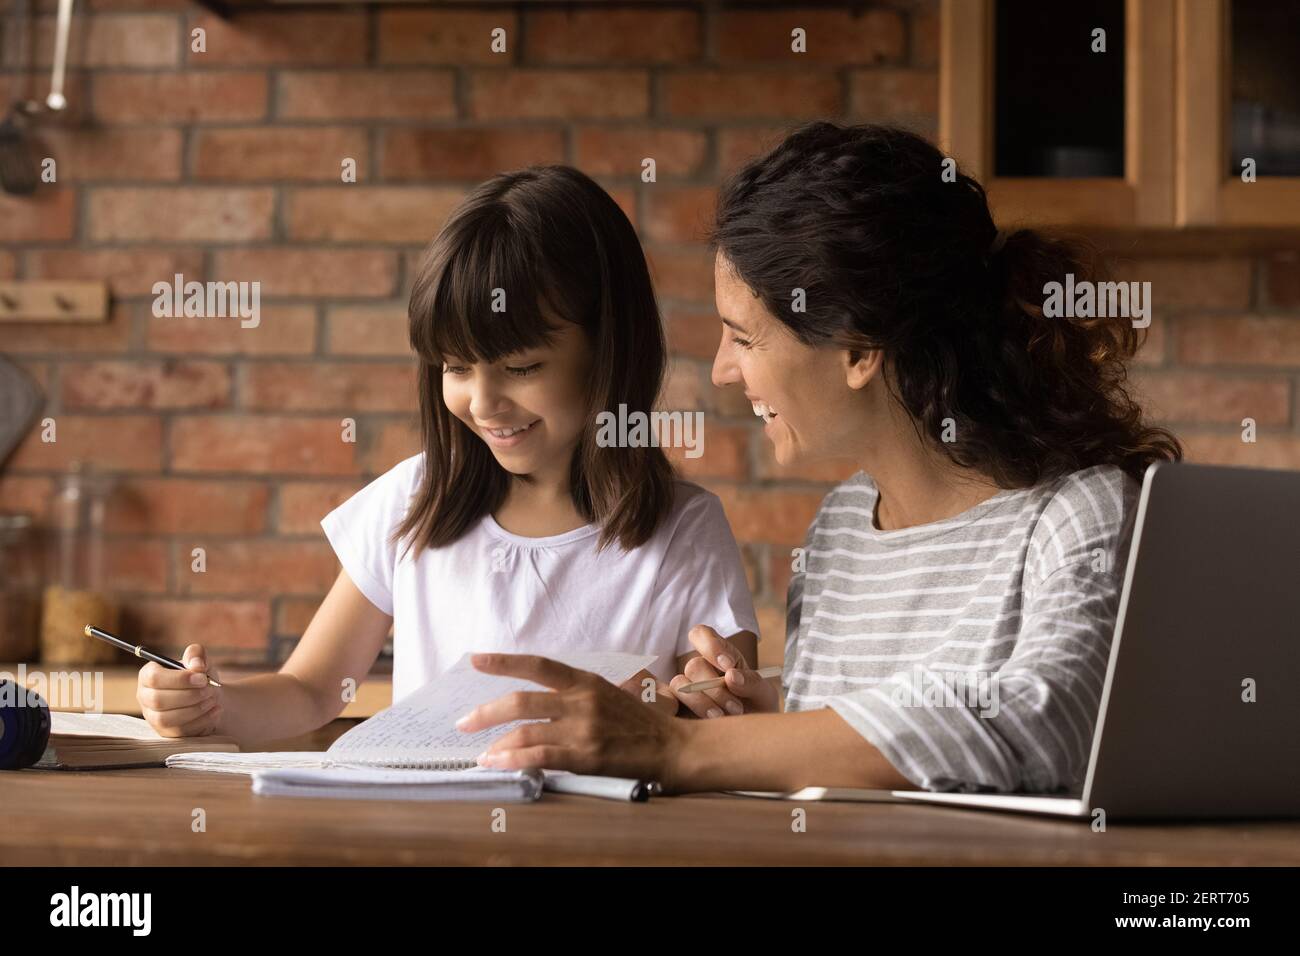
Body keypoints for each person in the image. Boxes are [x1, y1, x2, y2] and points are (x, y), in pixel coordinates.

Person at [458, 122, 1182, 795]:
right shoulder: (839, 530)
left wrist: (676, 751)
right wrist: (757, 713)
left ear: (858, 350)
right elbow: (862, 764)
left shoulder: (1078, 514)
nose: (722, 372)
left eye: (744, 339)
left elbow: (1047, 723)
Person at [137, 165, 758, 744]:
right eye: (456, 367)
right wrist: (213, 705)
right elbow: (311, 689)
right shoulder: (415, 502)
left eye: (522, 367)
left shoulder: (684, 531)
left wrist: (692, 698)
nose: (483, 402)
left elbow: (725, 717)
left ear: (608, 350)